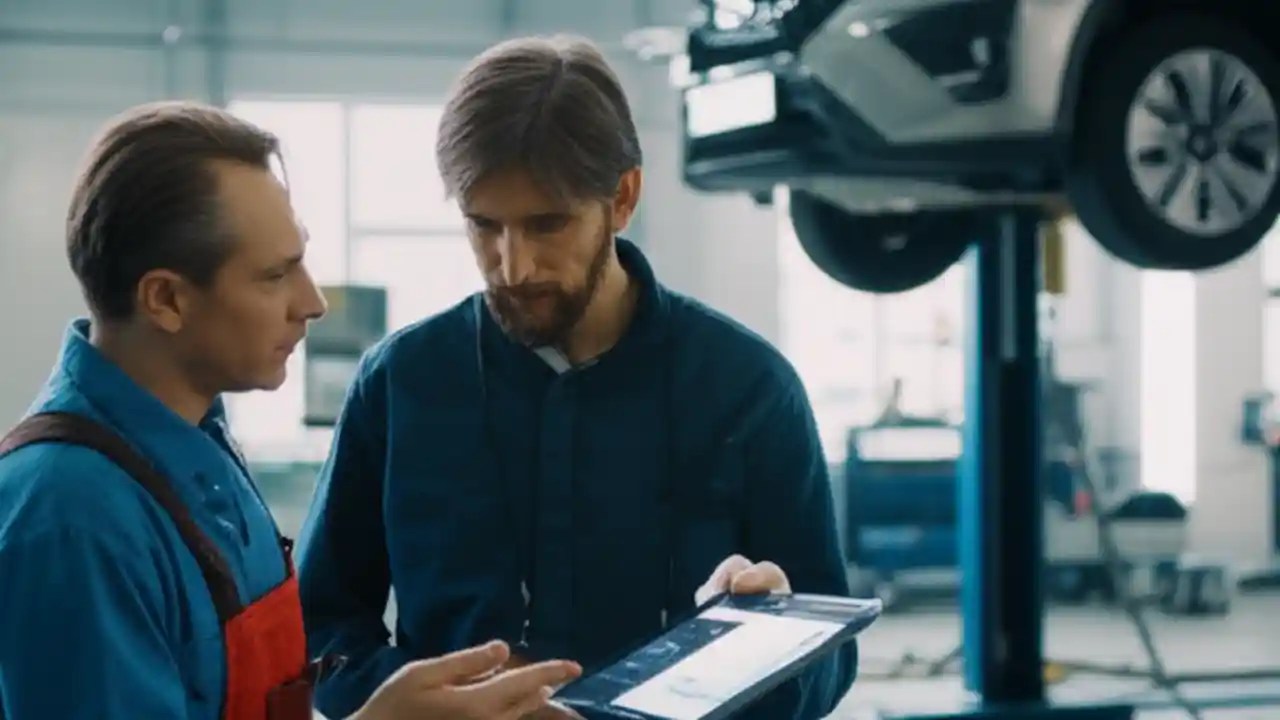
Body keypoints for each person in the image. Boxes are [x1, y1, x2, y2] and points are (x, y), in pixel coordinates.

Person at [297, 35, 857, 720]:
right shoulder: (400, 383)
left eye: (547, 224)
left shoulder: (749, 389)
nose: (513, 265)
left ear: (622, 198)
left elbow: (834, 657)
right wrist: (411, 703)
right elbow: (322, 624)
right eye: (483, 226)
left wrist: (773, 649)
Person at [0, 101, 580, 720]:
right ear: (166, 298)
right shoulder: (71, 518)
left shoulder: (199, 447)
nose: (312, 303)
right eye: (275, 275)